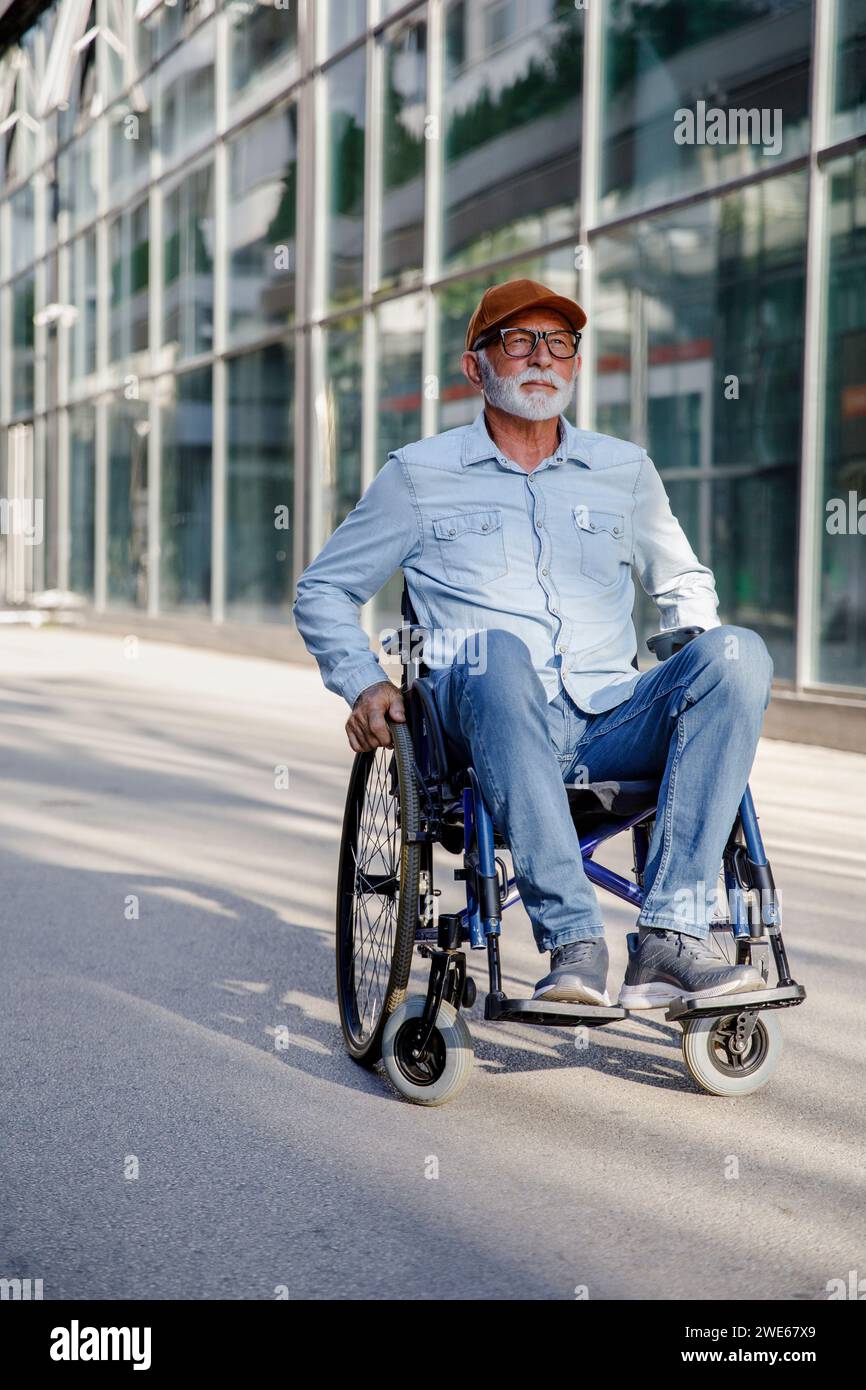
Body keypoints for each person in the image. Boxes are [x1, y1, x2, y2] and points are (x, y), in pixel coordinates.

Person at [293, 277, 773, 1008]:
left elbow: (685, 582)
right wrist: (364, 681)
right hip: (481, 721)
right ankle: (573, 940)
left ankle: (669, 939)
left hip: (610, 718)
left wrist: (693, 643)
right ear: (475, 366)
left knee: (739, 653)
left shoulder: (624, 471)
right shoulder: (418, 476)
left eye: (559, 343)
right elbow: (323, 589)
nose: (541, 358)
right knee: (501, 653)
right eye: (518, 342)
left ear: (575, 364)